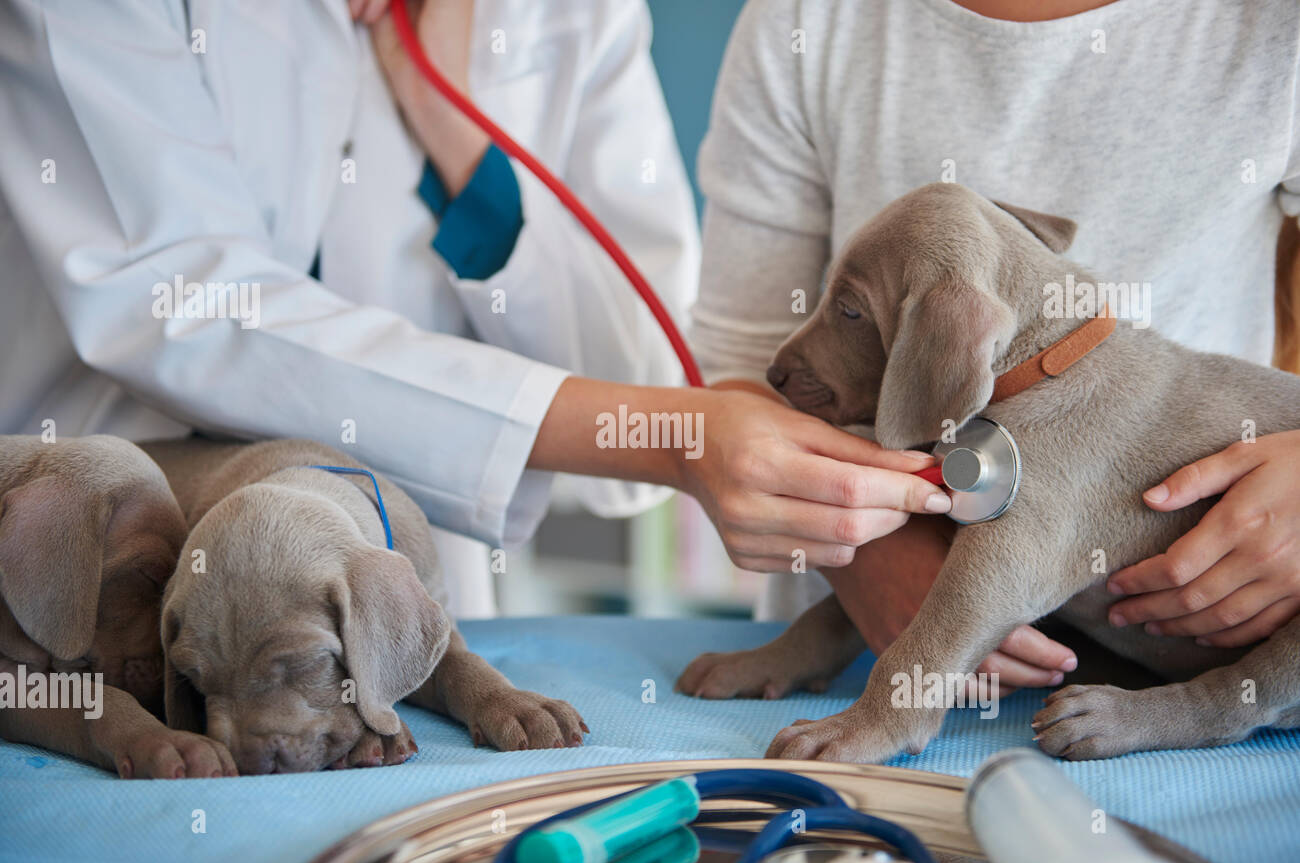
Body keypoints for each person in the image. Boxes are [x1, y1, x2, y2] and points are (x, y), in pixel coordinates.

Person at [0, 0, 949, 617]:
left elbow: (645, 399)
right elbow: (187, 303)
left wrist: (462, 151)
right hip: (107, 577)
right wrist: (670, 436)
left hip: (403, 625)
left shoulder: (566, 17)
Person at [691, 0, 1300, 693]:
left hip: (1202, 677)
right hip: (877, 615)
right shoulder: (808, 17)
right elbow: (744, 367)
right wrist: (870, 551)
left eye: (852, 308)